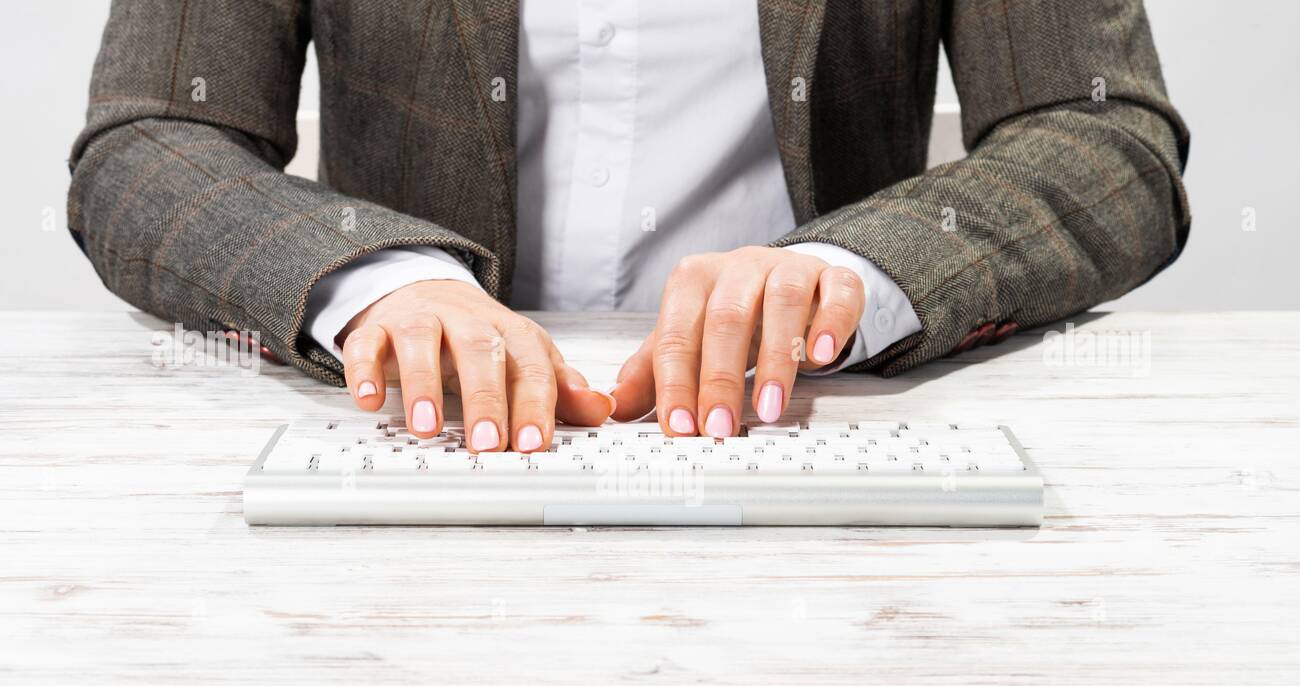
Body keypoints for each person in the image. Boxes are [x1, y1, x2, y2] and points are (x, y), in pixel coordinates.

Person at [69, 0, 1189, 453]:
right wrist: (378, 284)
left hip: (815, 433)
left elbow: (1103, 136)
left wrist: (857, 268)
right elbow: (152, 139)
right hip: (425, 448)